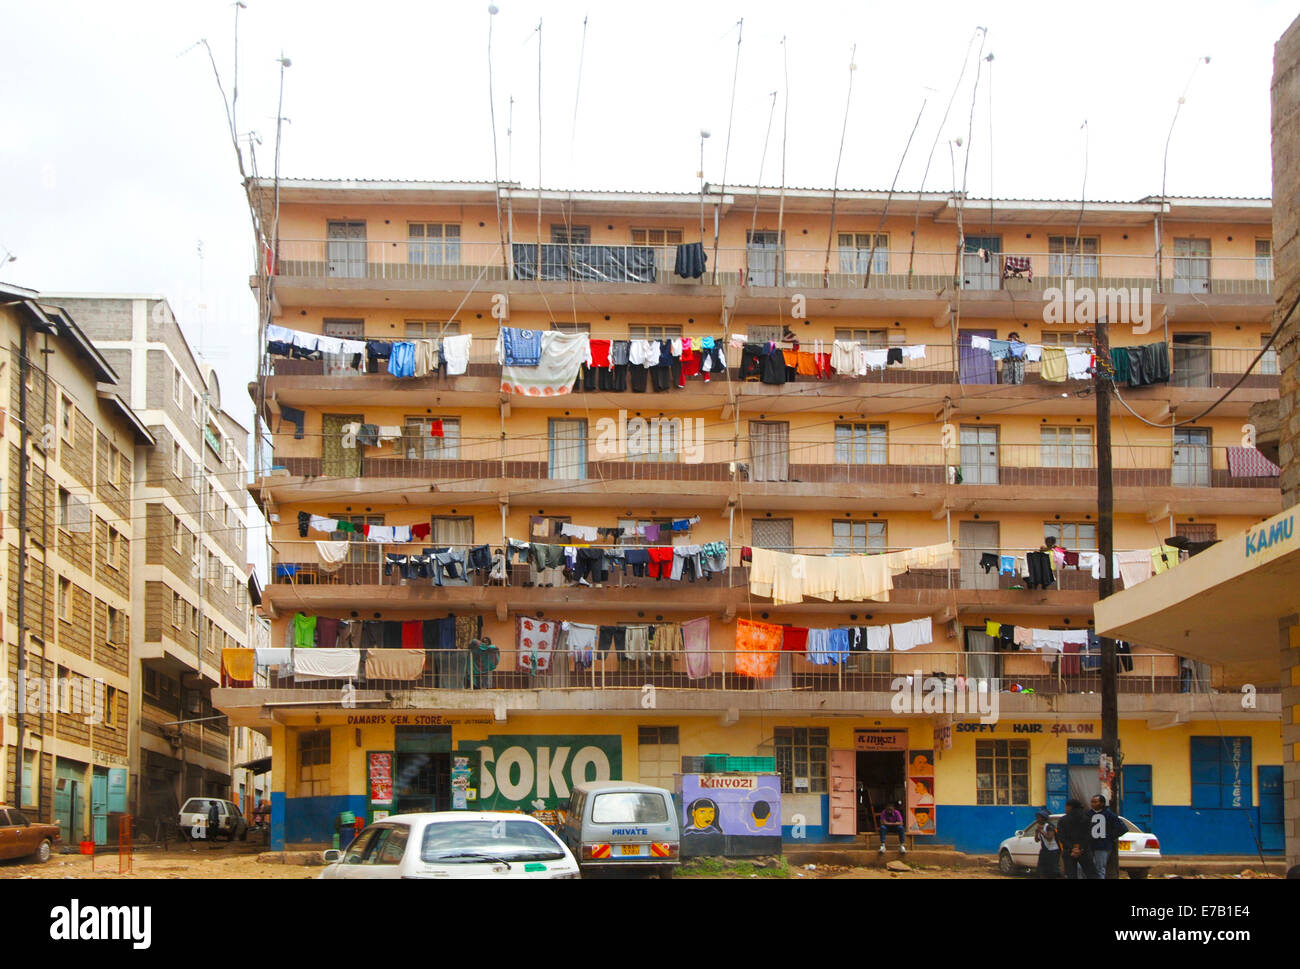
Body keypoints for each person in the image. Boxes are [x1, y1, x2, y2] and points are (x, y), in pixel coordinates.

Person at [1056, 799, 1095, 879]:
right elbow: (1089, 836)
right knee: (1091, 874)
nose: (1065, 809)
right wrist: (1080, 848)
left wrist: (1072, 848)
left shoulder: (1063, 820)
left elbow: (1061, 836)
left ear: (1070, 807)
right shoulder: (1087, 819)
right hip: (1084, 850)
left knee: (1071, 874)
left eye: (1066, 807)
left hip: (1069, 851)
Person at [1087, 794, 1123, 879]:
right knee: (1086, 868)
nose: (1092, 804)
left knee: (1100, 868)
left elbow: (1122, 828)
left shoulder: (1109, 815)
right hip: (1089, 845)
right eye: (1092, 802)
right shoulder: (1088, 814)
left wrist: (1109, 837)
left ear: (1102, 803)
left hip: (1103, 846)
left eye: (1095, 802)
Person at [1033, 810, 1061, 878]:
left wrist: (1041, 831)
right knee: (1042, 870)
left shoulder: (1049, 826)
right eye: (1036, 817)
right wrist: (1036, 832)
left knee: (1053, 871)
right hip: (1044, 851)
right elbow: (1037, 840)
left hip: (1053, 851)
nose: (1037, 819)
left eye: (1038, 817)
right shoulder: (1039, 827)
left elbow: (1049, 838)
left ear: (1043, 818)